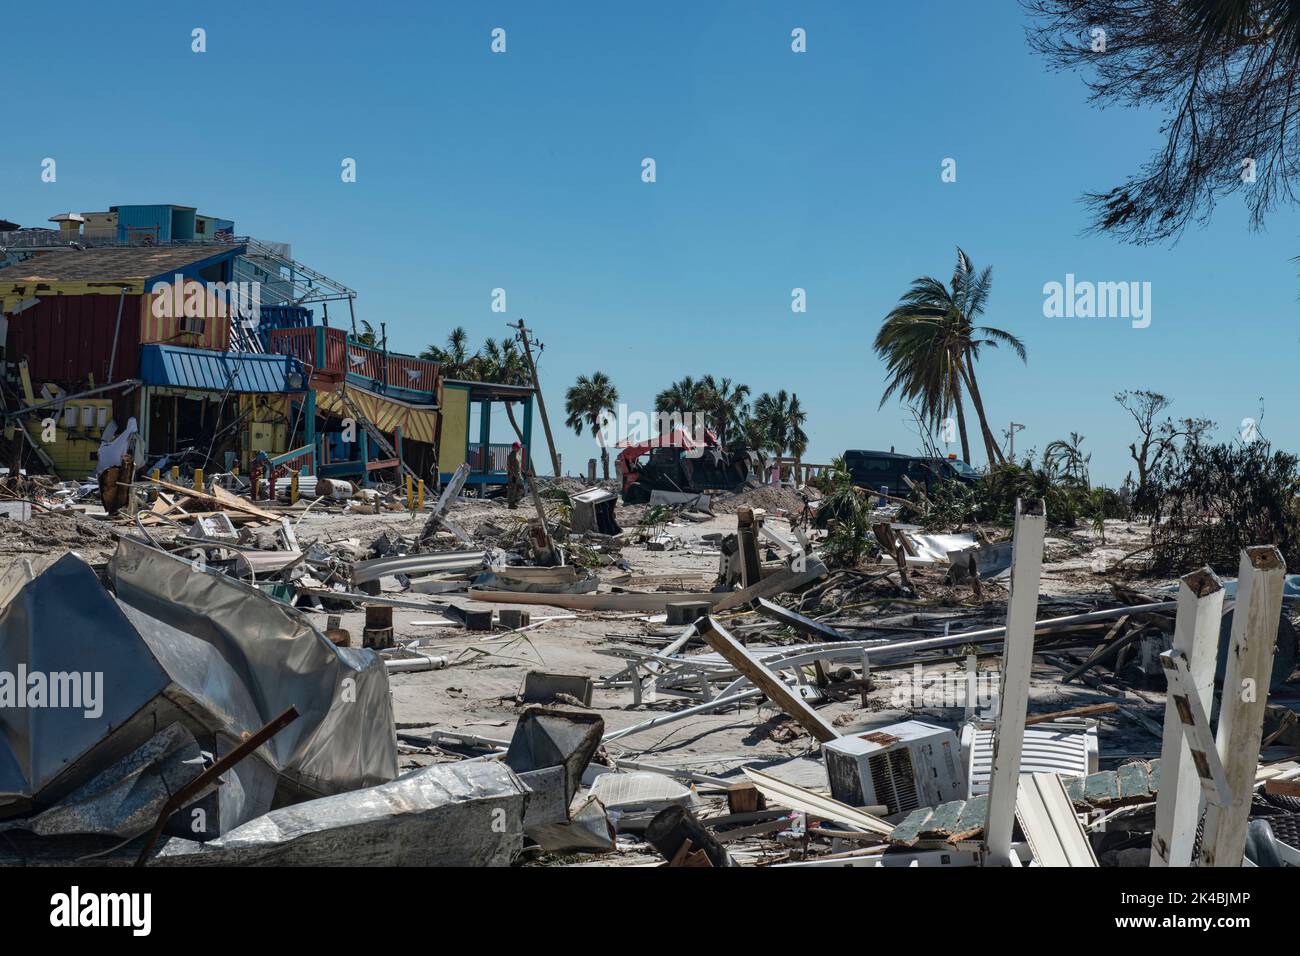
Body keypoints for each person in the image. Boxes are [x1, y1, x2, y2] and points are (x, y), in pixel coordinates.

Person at [506, 441, 524, 509]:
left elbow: (519, 465)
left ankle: (515, 501)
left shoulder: (518, 455)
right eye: (516, 447)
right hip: (512, 475)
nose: (518, 449)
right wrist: (512, 474)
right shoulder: (511, 455)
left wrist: (522, 471)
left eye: (518, 447)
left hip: (519, 475)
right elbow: (509, 466)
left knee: (521, 488)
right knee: (512, 489)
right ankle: (511, 504)